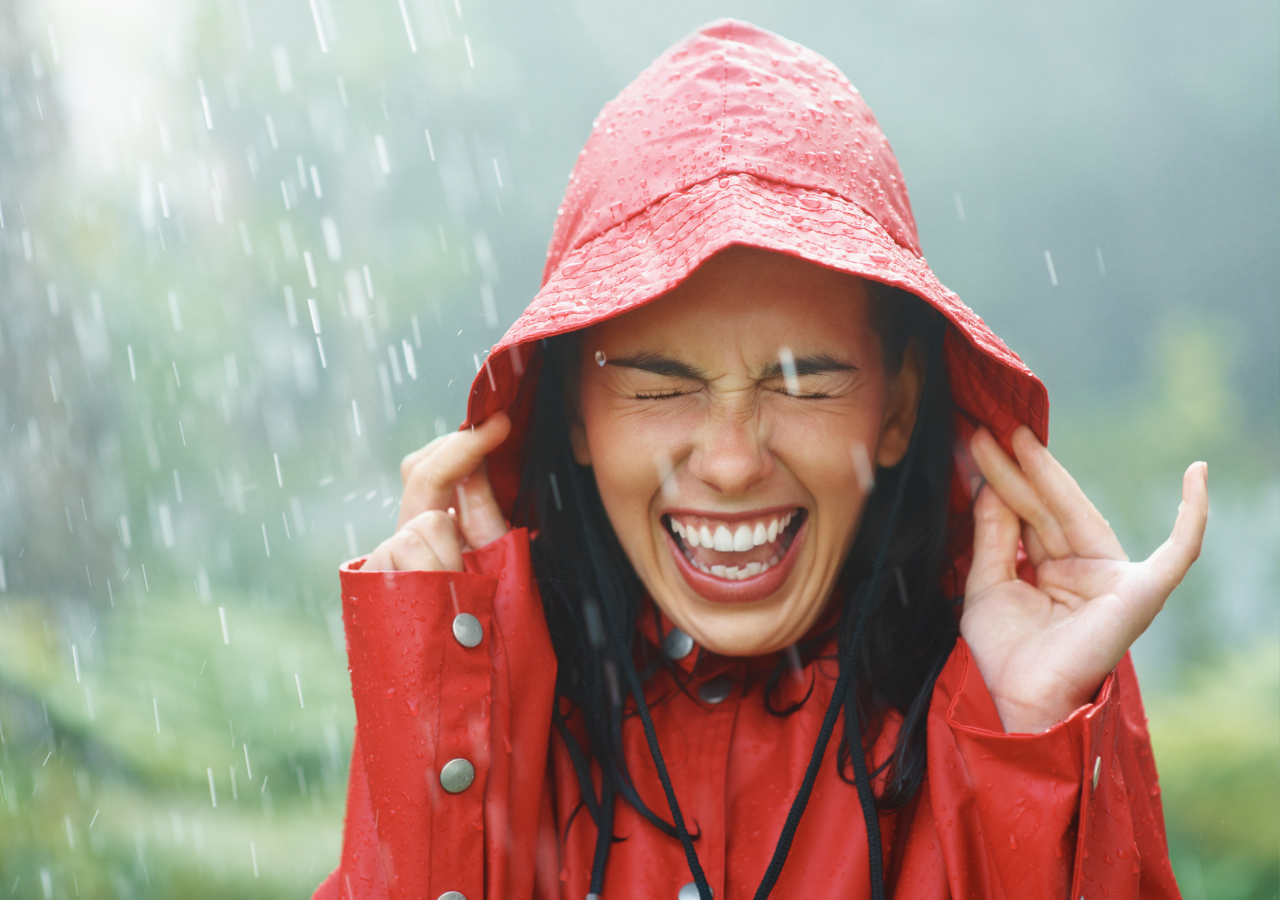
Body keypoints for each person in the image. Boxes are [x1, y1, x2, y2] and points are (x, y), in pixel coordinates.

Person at [314, 20, 1207, 900]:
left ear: (895, 411)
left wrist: (1031, 741)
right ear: (574, 416)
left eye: (804, 385)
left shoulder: (1020, 702)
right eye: (660, 388)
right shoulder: (486, 709)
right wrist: (440, 720)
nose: (733, 461)